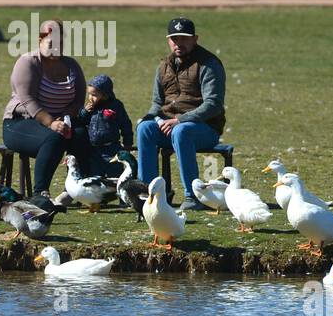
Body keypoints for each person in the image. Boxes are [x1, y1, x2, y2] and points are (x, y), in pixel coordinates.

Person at [136, 17, 226, 210]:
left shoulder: (208, 64)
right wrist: (150, 118)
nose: (179, 43)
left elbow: (214, 104)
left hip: (204, 129)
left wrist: (180, 120)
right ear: (168, 40)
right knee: (145, 129)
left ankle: (192, 197)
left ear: (195, 39)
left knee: (182, 131)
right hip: (172, 126)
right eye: (174, 39)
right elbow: (157, 103)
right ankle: (147, 195)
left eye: (184, 39)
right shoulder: (164, 66)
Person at [2, 18, 92, 195]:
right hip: (20, 123)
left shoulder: (71, 65)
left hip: (59, 122)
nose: (56, 47)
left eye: (60, 42)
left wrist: (65, 117)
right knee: (53, 138)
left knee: (81, 135)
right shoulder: (28, 62)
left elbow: (78, 100)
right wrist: (51, 123)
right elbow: (28, 100)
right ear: (40, 40)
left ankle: (79, 190)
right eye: (51, 42)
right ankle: (40, 192)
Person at [73, 74, 133, 175]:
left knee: (114, 173)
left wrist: (128, 144)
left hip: (112, 148)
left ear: (105, 95)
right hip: (94, 150)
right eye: (89, 94)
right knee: (95, 176)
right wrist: (85, 112)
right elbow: (81, 121)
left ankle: (115, 189)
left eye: (94, 95)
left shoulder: (116, 106)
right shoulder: (89, 108)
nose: (90, 98)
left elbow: (125, 124)